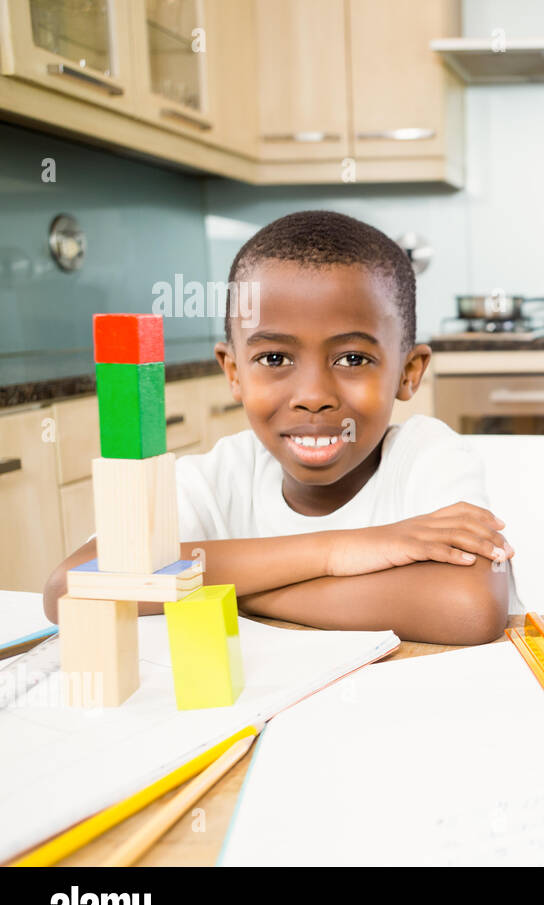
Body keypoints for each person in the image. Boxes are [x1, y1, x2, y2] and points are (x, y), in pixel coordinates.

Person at [45, 210, 512, 644]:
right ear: (233, 373)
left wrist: (232, 590)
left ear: (408, 372)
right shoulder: (216, 476)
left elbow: (469, 608)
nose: (312, 395)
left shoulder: (427, 456)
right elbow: (71, 588)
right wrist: (336, 552)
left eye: (352, 358)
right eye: (274, 358)